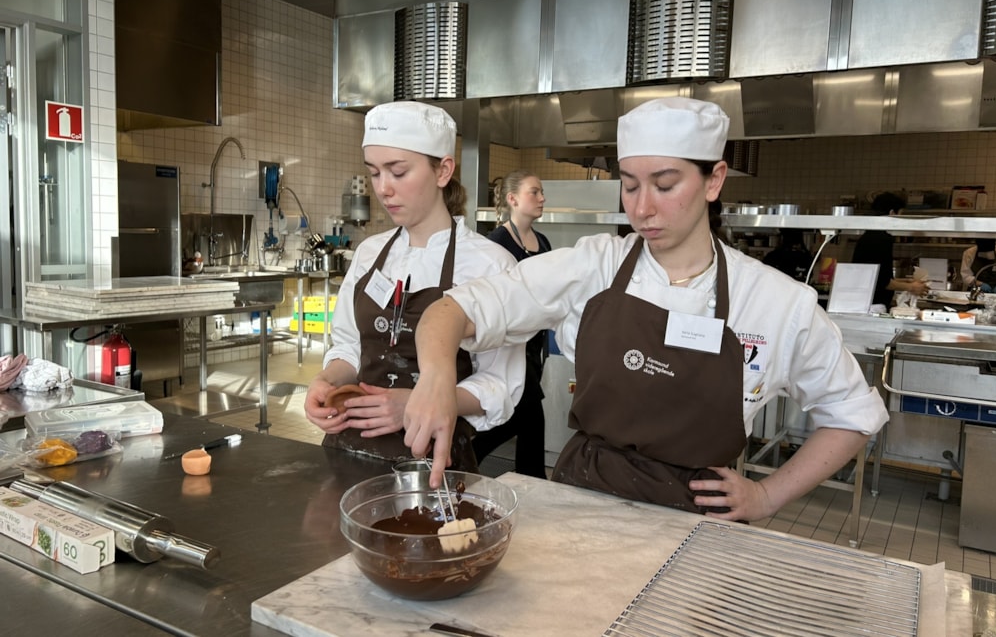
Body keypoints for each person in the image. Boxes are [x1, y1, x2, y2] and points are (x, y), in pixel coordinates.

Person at [402, 97, 889, 524]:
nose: (642, 209)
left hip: (699, 521)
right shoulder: (595, 265)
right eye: (630, 185)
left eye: (665, 184)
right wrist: (436, 378)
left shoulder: (777, 301)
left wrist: (765, 495)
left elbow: (852, 414)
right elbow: (452, 311)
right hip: (583, 502)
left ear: (713, 180)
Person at [303, 101, 525, 471]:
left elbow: (499, 382)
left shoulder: (489, 264)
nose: (384, 189)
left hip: (434, 458)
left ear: (443, 171)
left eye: (399, 172)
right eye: (374, 173)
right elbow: (350, 346)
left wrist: (422, 402)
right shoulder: (369, 253)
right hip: (347, 451)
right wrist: (326, 381)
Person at [472, 171, 552, 478]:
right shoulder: (497, 244)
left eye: (542, 192)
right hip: (507, 345)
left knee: (524, 417)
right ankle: (531, 479)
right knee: (531, 417)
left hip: (534, 343)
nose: (542, 198)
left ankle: (527, 479)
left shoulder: (542, 241)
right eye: (535, 192)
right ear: (513, 199)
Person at [851, 192, 929, 309]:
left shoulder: (868, 235)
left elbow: (878, 275)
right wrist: (911, 287)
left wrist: (906, 282)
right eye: (900, 214)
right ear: (892, 213)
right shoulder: (882, 238)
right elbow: (882, 281)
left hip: (862, 301)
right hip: (874, 305)